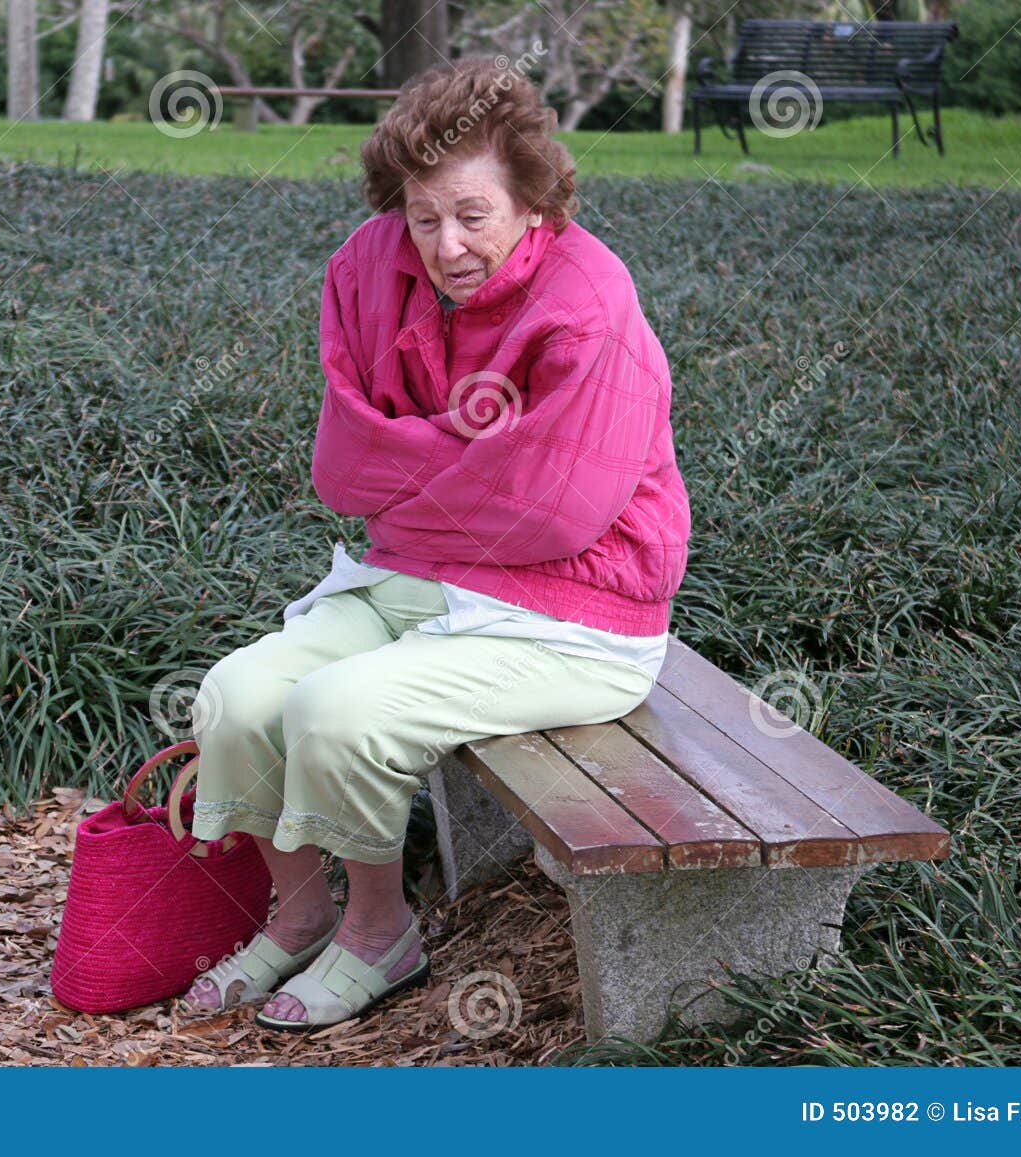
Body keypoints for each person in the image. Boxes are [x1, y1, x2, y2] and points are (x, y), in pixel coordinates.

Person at [180, 56, 692, 1032]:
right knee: (236, 698)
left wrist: (414, 457)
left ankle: (380, 930)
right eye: (424, 216)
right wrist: (478, 456)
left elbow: (557, 511)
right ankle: (298, 912)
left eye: (473, 214)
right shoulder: (366, 266)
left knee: (336, 709)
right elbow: (343, 467)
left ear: (532, 201)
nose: (447, 245)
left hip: (576, 612)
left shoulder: (590, 300)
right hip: (415, 576)